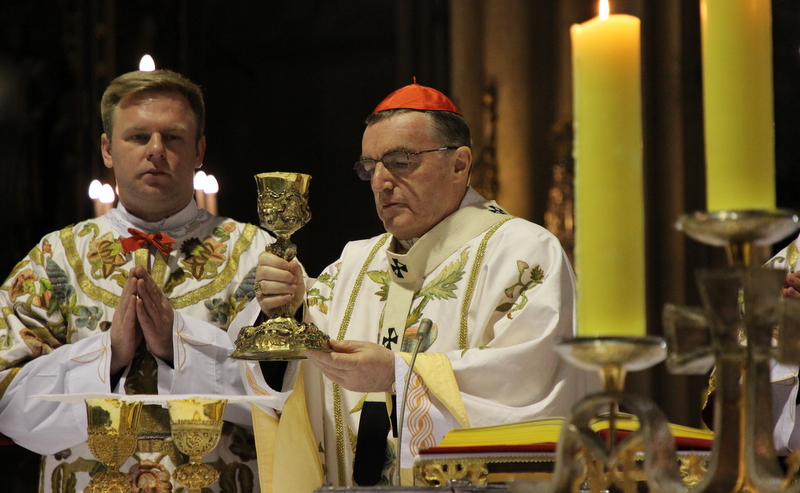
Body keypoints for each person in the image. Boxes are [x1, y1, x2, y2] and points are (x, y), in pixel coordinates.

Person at [229, 80, 597, 491]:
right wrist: (287, 309)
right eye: (370, 167)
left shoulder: (523, 253)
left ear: (459, 164)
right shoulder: (352, 264)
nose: (380, 182)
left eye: (401, 161)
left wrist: (397, 374)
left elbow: (531, 383)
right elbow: (282, 390)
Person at [0, 69, 274, 492]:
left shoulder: (257, 256)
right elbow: (8, 404)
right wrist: (107, 354)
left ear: (199, 150)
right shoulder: (54, 259)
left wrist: (180, 347)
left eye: (174, 137)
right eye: (138, 137)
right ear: (108, 149)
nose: (156, 150)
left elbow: (291, 396)